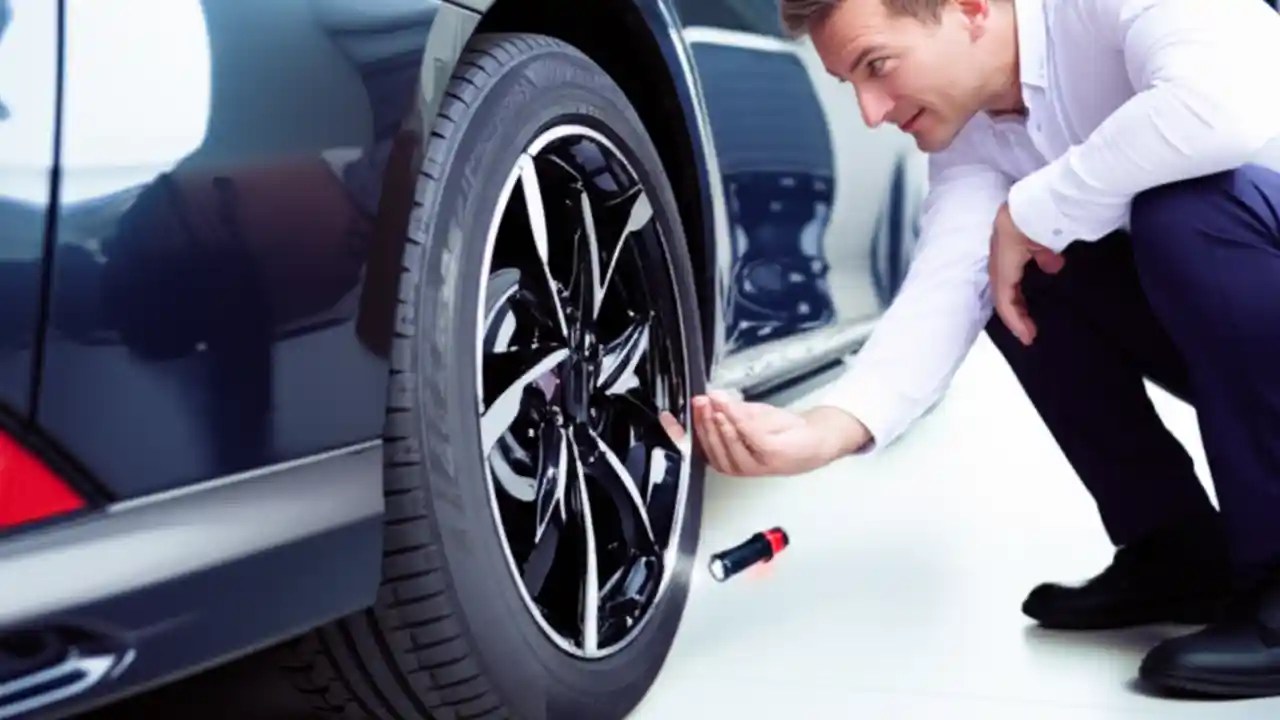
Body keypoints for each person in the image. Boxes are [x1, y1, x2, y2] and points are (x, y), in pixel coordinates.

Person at [660, 0, 1280, 698]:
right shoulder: (973, 133)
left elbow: (1224, 102)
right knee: (1008, 267)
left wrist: (1035, 208)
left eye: (877, 67)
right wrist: (820, 432)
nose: (870, 112)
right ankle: (1179, 554)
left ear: (971, 8)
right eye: (851, 85)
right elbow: (946, 288)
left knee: (1180, 216)